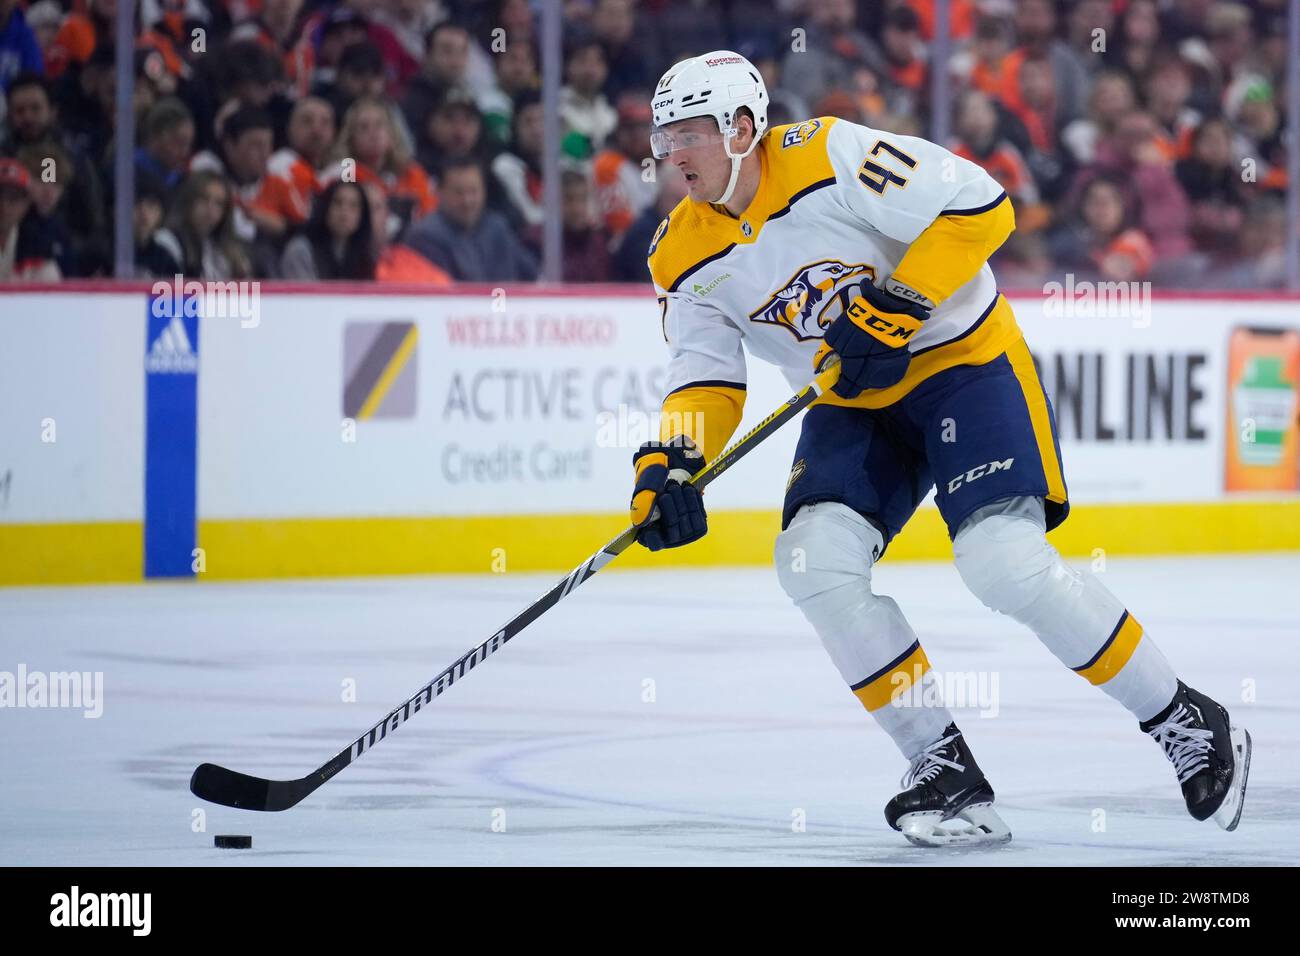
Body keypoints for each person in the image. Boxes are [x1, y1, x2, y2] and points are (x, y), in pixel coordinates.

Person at [629, 51, 1251, 847]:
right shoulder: (678, 252)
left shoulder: (827, 154)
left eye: (688, 133)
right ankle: (943, 766)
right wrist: (670, 462)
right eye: (663, 137)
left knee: (1003, 562)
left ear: (742, 128)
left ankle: (1184, 718)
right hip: (852, 400)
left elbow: (980, 205)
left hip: (964, 365)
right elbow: (705, 378)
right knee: (812, 562)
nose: (671, 154)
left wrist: (895, 306)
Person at [403, 157, 537, 281]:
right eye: (458, 192)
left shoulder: (497, 227)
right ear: (439, 192)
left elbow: (531, 273)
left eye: (473, 191)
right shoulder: (425, 236)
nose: (467, 201)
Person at [280, 179, 376, 280]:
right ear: (325, 207)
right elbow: (303, 290)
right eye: (338, 203)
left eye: (353, 206)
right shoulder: (301, 251)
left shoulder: (366, 255)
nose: (344, 213)